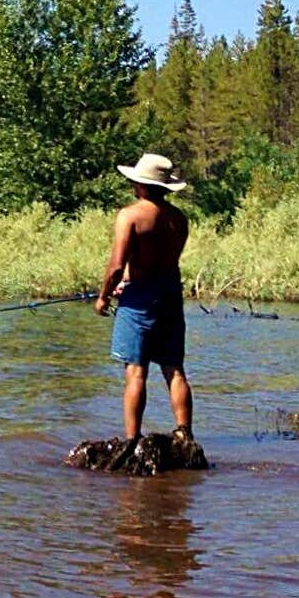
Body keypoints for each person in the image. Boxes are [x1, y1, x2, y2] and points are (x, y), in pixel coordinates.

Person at [94, 153, 193, 440]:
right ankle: (184, 434)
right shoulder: (179, 218)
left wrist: (104, 297)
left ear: (142, 185)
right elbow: (163, 258)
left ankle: (132, 440)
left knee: (136, 372)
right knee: (174, 369)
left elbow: (116, 266)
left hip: (139, 299)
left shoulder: (130, 216)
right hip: (171, 294)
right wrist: (130, 278)